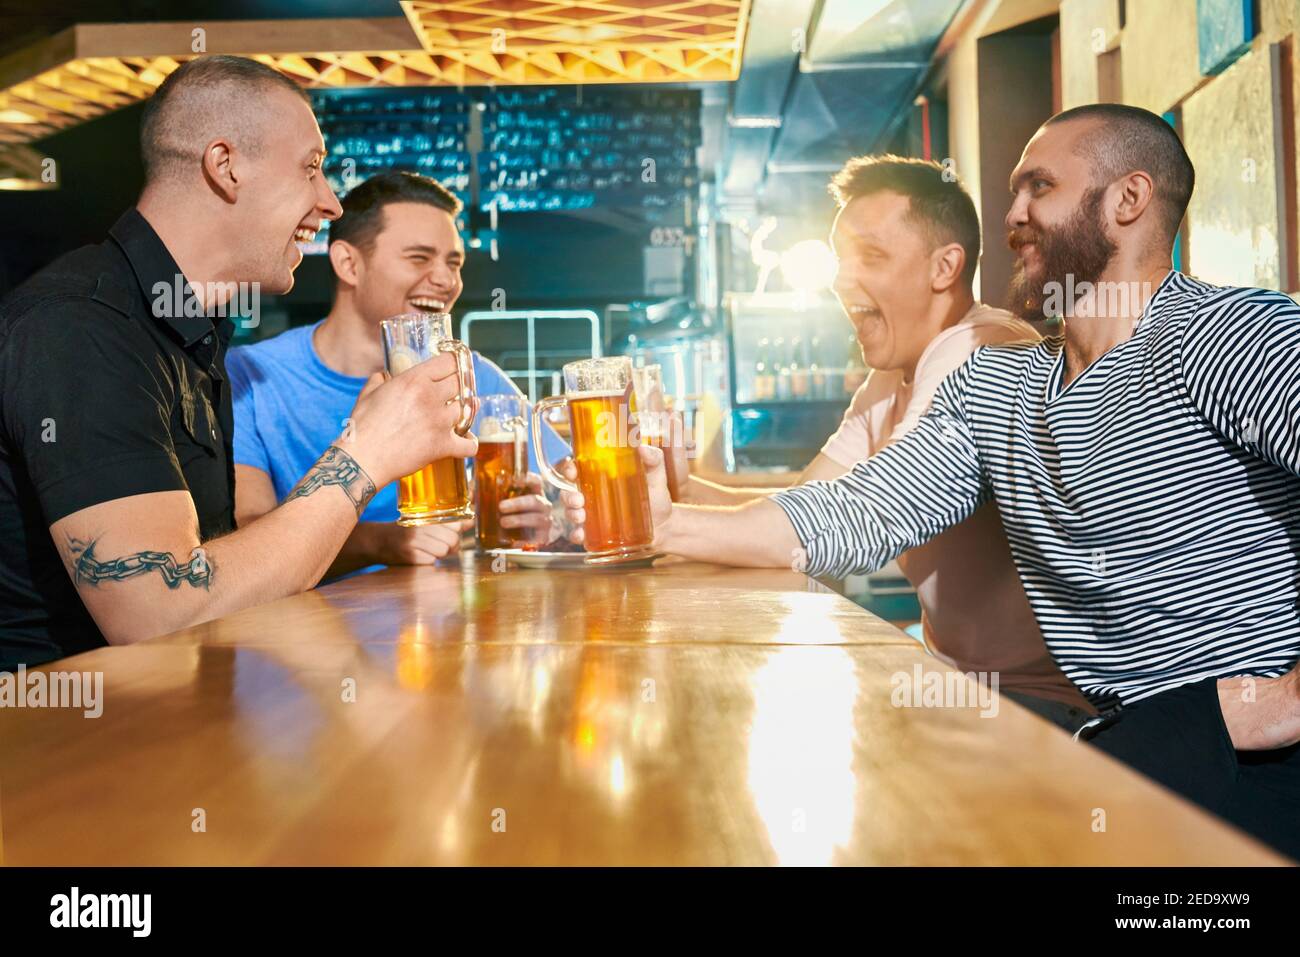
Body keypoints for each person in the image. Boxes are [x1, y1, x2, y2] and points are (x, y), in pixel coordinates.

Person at [564, 105, 1300, 856]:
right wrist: (662, 521)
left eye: (1038, 186)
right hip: (1125, 737)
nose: (1011, 214)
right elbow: (855, 512)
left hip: (1252, 756)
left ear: (1128, 199)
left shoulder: (1223, 334)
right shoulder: (998, 386)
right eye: (1014, 191)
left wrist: (1281, 701)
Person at [0, 55, 475, 669]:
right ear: (225, 167)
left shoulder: (187, 330)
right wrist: (365, 455)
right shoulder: (80, 326)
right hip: (66, 750)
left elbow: (220, 568)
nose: (330, 202)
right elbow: (161, 613)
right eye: (311, 169)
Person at [671, 155, 1091, 724]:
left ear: (945, 267)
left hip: (1040, 705)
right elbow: (805, 509)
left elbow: (856, 522)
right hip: (957, 682)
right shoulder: (894, 370)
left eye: (870, 255)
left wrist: (656, 523)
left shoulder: (981, 351)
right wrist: (669, 490)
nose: (842, 279)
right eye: (841, 258)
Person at [227, 171, 568, 577]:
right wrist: (379, 541)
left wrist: (553, 520)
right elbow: (244, 535)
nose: (445, 280)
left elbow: (572, 485)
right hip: (305, 630)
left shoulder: (469, 373)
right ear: (348, 264)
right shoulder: (249, 375)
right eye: (419, 258)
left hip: (446, 626)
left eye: (453, 263)